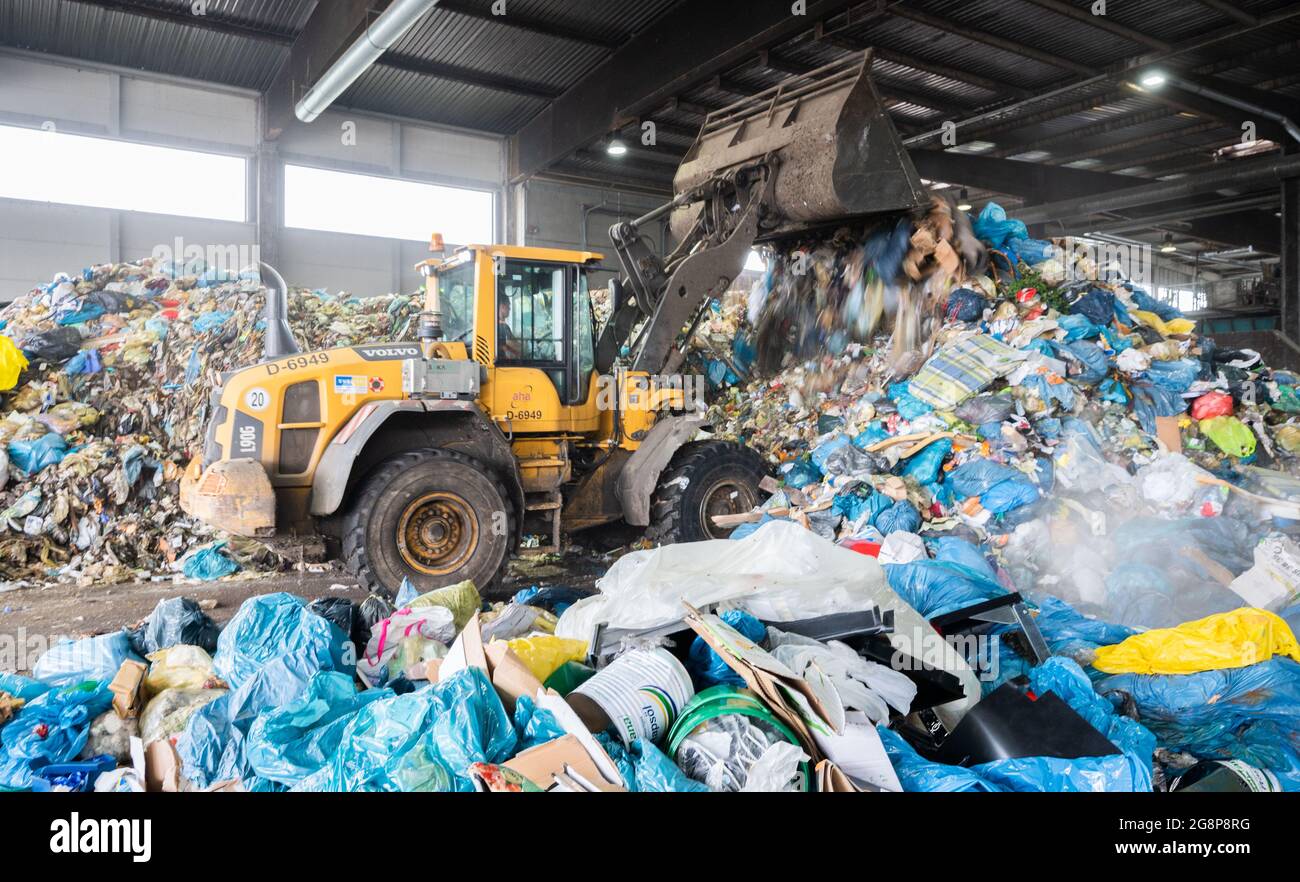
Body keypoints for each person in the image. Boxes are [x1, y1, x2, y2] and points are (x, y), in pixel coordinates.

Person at [498, 294, 521, 359]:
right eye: (508, 305)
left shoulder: (495, 326)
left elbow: (507, 345)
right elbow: (517, 347)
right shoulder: (503, 327)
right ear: (502, 307)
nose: (510, 308)